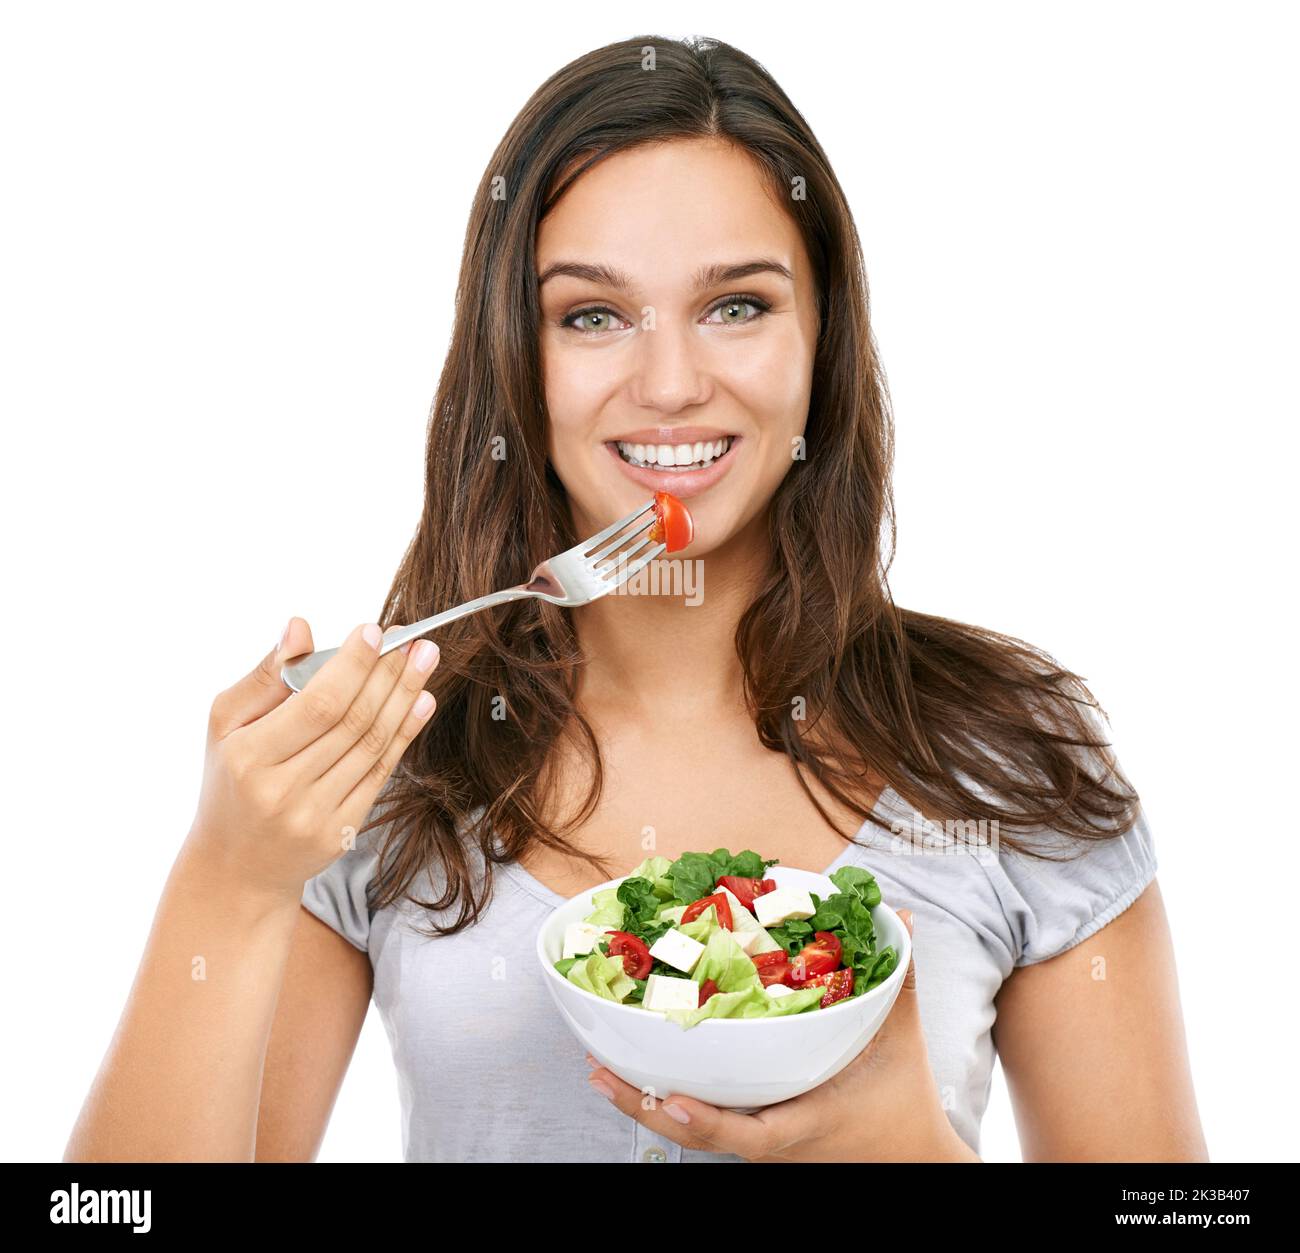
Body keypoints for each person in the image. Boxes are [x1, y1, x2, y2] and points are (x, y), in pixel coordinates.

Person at [65, 34, 1207, 1164]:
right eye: (593, 315)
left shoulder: (1008, 756)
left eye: (737, 306)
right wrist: (226, 878)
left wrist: (905, 1151)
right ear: (516, 358)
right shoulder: (393, 762)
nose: (668, 385)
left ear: (824, 344)